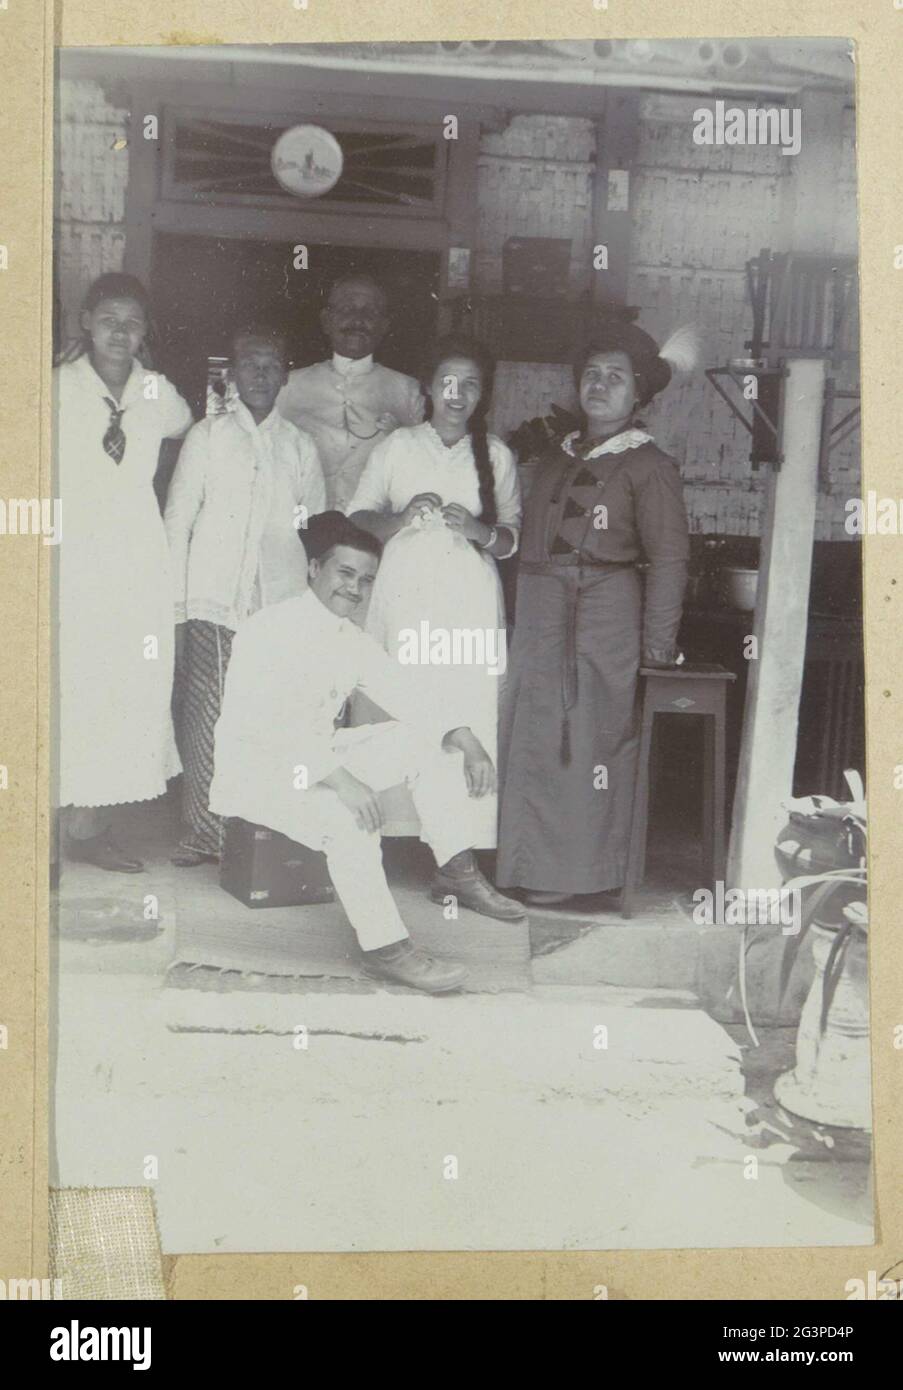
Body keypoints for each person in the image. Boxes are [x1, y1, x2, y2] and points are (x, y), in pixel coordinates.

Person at [208, 511, 527, 994]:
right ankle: (387, 950)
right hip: (259, 772)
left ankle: (455, 868)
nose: (355, 589)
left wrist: (465, 736)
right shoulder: (267, 629)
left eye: (366, 580)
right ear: (315, 569)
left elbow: (407, 692)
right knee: (348, 820)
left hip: (319, 757)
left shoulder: (348, 638)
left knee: (431, 742)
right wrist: (342, 780)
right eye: (345, 574)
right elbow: (266, 727)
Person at [495, 312, 695, 905]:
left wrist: (658, 644)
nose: (600, 384)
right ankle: (521, 866)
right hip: (540, 613)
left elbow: (670, 560)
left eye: (616, 376)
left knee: (586, 741)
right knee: (530, 731)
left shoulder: (650, 465)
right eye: (592, 373)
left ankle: (573, 877)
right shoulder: (557, 456)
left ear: (639, 396)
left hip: (603, 617)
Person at [347, 335, 521, 847]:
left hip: (467, 605)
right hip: (403, 598)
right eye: (448, 381)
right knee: (398, 699)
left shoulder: (496, 455)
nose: (458, 393)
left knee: (461, 701)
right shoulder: (398, 446)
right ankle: (387, 833)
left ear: (482, 394)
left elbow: (512, 540)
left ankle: (458, 847)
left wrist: (480, 532)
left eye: (471, 384)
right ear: (428, 386)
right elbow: (357, 519)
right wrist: (400, 518)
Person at [164, 324, 327, 866]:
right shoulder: (207, 437)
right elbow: (178, 521)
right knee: (208, 715)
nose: (260, 373)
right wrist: (177, 608)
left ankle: (254, 833)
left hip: (276, 607)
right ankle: (204, 832)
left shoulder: (300, 447)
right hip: (213, 601)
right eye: (249, 363)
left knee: (265, 716)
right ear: (230, 375)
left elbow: (315, 531)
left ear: (285, 375)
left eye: (271, 363)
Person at [55, 272, 194, 872]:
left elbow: (187, 429)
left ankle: (89, 828)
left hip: (136, 562)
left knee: (123, 690)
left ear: (146, 333)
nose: (120, 331)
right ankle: (42, 839)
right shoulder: (55, 387)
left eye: (133, 322)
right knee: (66, 687)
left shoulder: (162, 396)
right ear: (85, 320)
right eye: (109, 318)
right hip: (70, 555)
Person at [276, 273, 424, 511]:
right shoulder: (287, 387)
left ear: (384, 325)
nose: (358, 320)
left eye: (370, 312)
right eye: (346, 309)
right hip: (301, 529)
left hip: (374, 533)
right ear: (326, 320)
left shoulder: (409, 391)